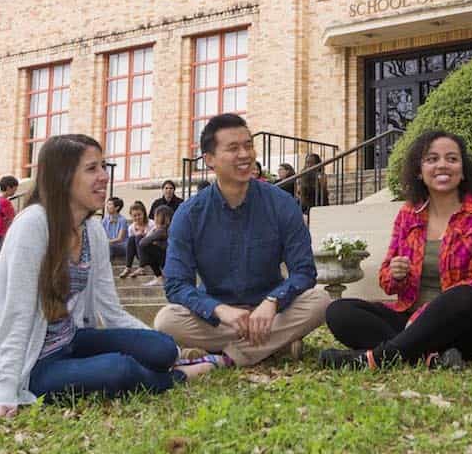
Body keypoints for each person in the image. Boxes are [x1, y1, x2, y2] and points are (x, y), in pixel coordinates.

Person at [0, 134, 213, 417]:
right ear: (62, 177)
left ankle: (171, 360)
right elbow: (15, 314)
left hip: (73, 340)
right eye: (92, 169)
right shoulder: (32, 225)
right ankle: (178, 377)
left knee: (162, 347)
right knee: (119, 369)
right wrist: (5, 391)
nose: (104, 176)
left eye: (103, 166)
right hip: (38, 364)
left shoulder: (93, 231)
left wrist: (160, 344)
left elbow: (110, 310)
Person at [154, 114, 330, 368]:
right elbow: (177, 286)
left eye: (248, 145)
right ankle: (273, 345)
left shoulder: (281, 203)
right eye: (233, 148)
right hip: (218, 318)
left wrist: (273, 302)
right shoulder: (189, 214)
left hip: (271, 312)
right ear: (210, 160)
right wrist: (219, 310)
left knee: (320, 301)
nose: (245, 155)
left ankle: (222, 359)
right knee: (166, 320)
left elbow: (304, 271)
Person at [319, 130, 472, 370]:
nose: (442, 165)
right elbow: (387, 280)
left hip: (463, 326)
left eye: (452, 159)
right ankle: (428, 356)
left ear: (463, 169)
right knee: (339, 311)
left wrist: (422, 318)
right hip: (407, 318)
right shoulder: (408, 214)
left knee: (465, 295)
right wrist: (396, 274)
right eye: (432, 159)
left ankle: (376, 359)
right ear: (419, 170)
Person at [138, 205, 173, 287]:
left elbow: (142, 243)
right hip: (168, 258)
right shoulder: (169, 228)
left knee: (146, 247)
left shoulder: (161, 230)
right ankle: (142, 267)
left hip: (166, 260)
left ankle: (158, 276)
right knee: (138, 240)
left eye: (156, 216)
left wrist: (152, 232)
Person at [118, 201, 152, 278]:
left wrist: (144, 236)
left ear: (144, 213)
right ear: (131, 216)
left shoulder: (151, 224)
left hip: (151, 253)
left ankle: (141, 268)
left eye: (139, 215)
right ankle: (128, 267)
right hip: (140, 254)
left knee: (138, 237)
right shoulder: (131, 227)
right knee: (131, 238)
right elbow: (132, 246)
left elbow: (154, 241)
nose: (137, 217)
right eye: (134, 216)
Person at [298, 153, 328, 222]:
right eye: (307, 162)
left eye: (311, 163)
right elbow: (299, 191)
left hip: (318, 203)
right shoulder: (303, 174)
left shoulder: (321, 175)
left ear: (317, 164)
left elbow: (323, 190)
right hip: (305, 204)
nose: (309, 165)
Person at [0, 176, 20, 246]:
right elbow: (12, 217)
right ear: (8, 188)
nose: (15, 192)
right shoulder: (5, 202)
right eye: (14, 189)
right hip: (2, 231)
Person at [102, 197, 128, 262]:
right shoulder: (105, 219)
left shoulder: (122, 220)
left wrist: (106, 242)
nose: (107, 206)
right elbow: (101, 235)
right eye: (107, 204)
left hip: (121, 246)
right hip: (108, 244)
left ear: (117, 208)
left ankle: (107, 264)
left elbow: (120, 239)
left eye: (110, 204)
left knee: (108, 246)